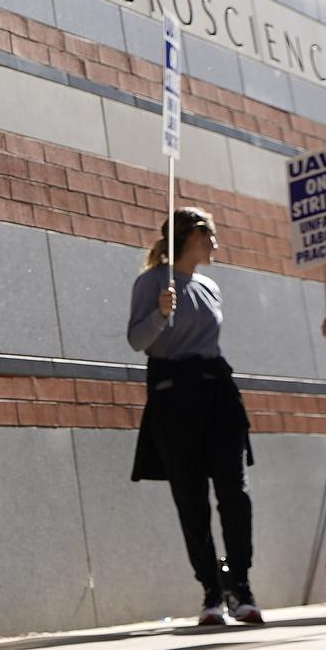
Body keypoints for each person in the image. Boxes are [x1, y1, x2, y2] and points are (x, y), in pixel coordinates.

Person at [124, 207, 263, 626]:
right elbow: (136, 340)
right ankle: (211, 590)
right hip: (173, 395)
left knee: (234, 492)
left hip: (217, 392)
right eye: (208, 238)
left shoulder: (209, 286)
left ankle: (240, 583)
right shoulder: (151, 283)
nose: (215, 245)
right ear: (187, 239)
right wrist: (160, 314)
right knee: (190, 496)